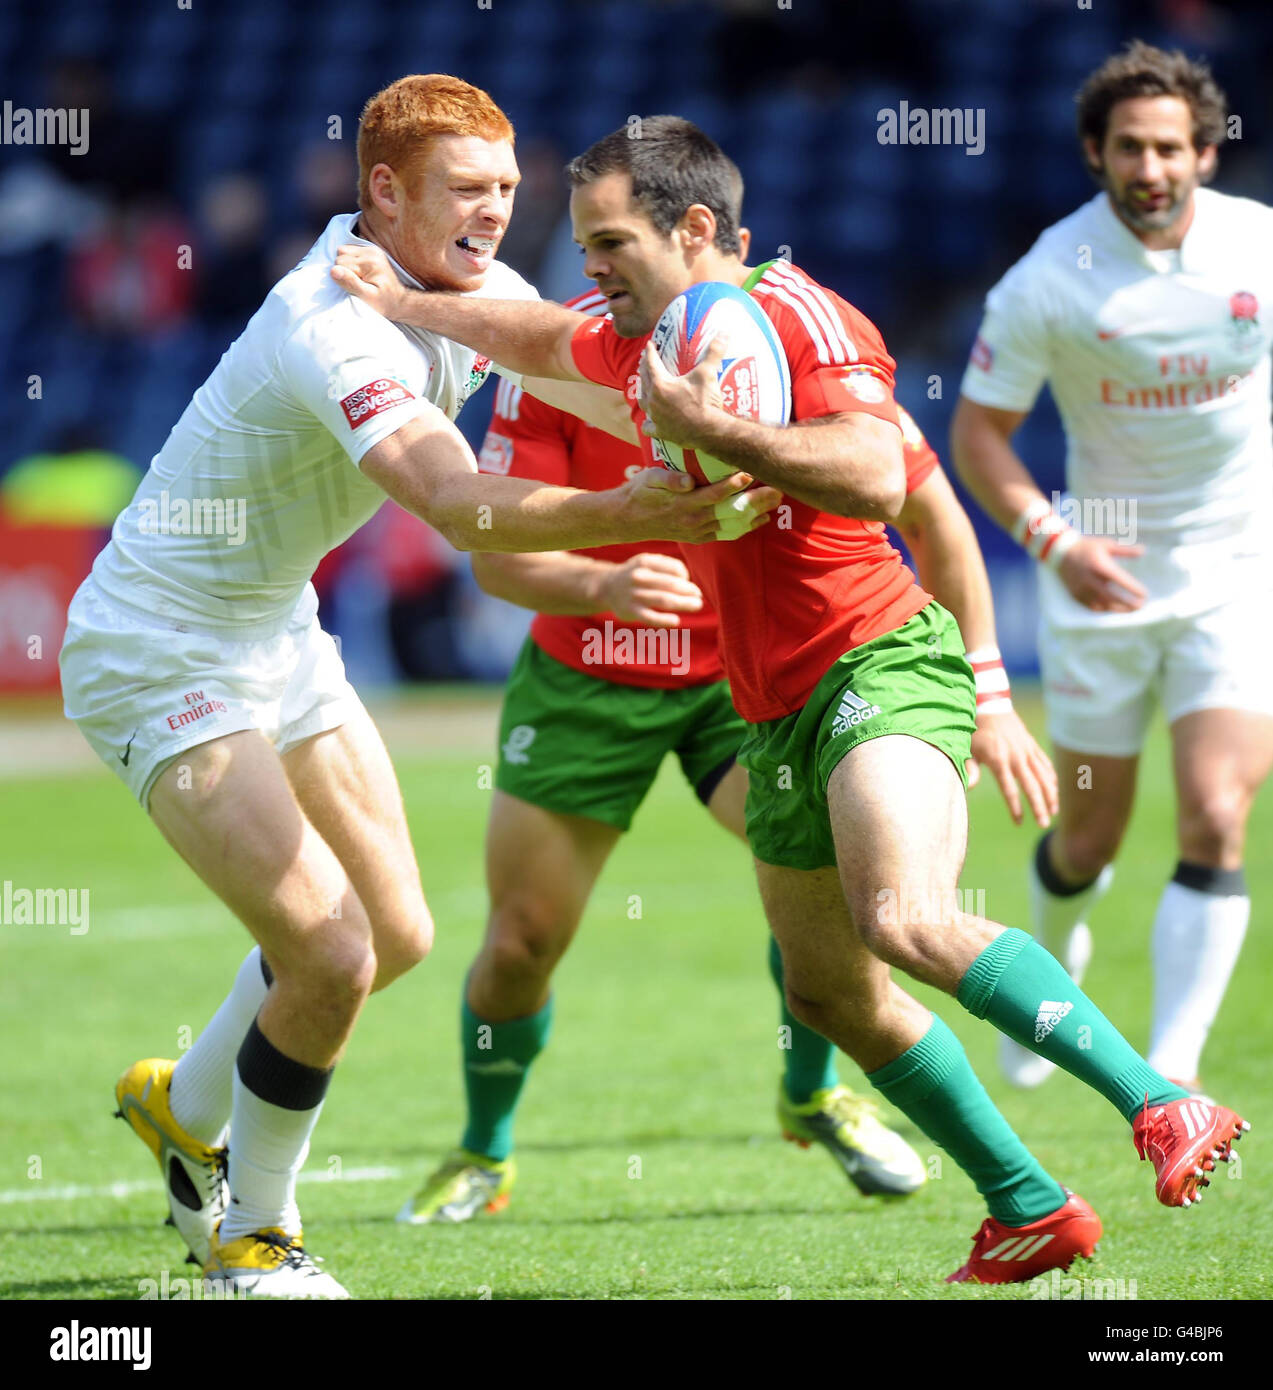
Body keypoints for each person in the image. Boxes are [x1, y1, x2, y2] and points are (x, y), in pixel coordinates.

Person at [332, 115, 1249, 1284]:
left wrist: (717, 431)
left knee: (900, 916)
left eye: (608, 241)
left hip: (876, 661)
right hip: (767, 707)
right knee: (826, 990)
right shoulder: (644, 337)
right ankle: (1027, 1201)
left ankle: (1159, 1098)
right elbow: (532, 334)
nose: (588, 266)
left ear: (695, 227)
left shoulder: (798, 314)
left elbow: (880, 474)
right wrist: (405, 305)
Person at [60, 77, 774, 1300]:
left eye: (508, 189)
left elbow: (573, 364)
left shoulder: (465, 285)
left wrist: (744, 418)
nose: (498, 213)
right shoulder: (324, 320)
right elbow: (448, 499)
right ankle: (252, 1232)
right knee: (330, 954)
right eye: (468, 191)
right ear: (382, 192)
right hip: (157, 647)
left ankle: (181, 1108)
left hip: (275, 633)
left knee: (394, 935)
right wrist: (621, 511)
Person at [398, 319, 1057, 1223]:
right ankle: (484, 1151)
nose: (607, 274)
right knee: (520, 941)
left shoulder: (774, 349)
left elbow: (927, 505)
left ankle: (815, 1093)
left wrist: (985, 693)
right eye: (595, 249)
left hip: (740, 680)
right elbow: (494, 555)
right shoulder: (550, 372)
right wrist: (601, 586)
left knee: (824, 893)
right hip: (582, 684)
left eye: (618, 243)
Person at [951, 42, 1273, 1096]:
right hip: (1098, 577)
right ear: (1096, 152)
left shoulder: (1258, 250)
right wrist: (1057, 542)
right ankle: (1054, 955)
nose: (1150, 168)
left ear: (1205, 154)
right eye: (1128, 147)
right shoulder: (1051, 277)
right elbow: (979, 434)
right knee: (1085, 835)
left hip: (1234, 569)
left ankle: (1169, 1073)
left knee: (1217, 813)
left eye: (1170, 147)